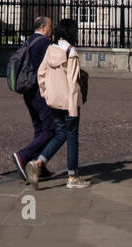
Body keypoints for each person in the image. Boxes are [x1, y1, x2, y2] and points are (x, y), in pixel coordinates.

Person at [27, 17, 90, 190]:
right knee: (72, 138)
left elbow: (41, 74)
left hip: (53, 100)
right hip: (69, 101)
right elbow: (73, 82)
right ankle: (73, 177)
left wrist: (46, 95)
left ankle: (38, 163)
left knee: (60, 134)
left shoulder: (51, 49)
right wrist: (72, 108)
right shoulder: (71, 51)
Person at [12, 16, 57, 181]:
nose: (52, 29)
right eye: (50, 26)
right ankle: (23, 156)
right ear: (44, 27)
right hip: (40, 91)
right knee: (51, 129)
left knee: (39, 129)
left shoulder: (29, 41)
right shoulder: (45, 44)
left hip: (28, 90)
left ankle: (38, 167)